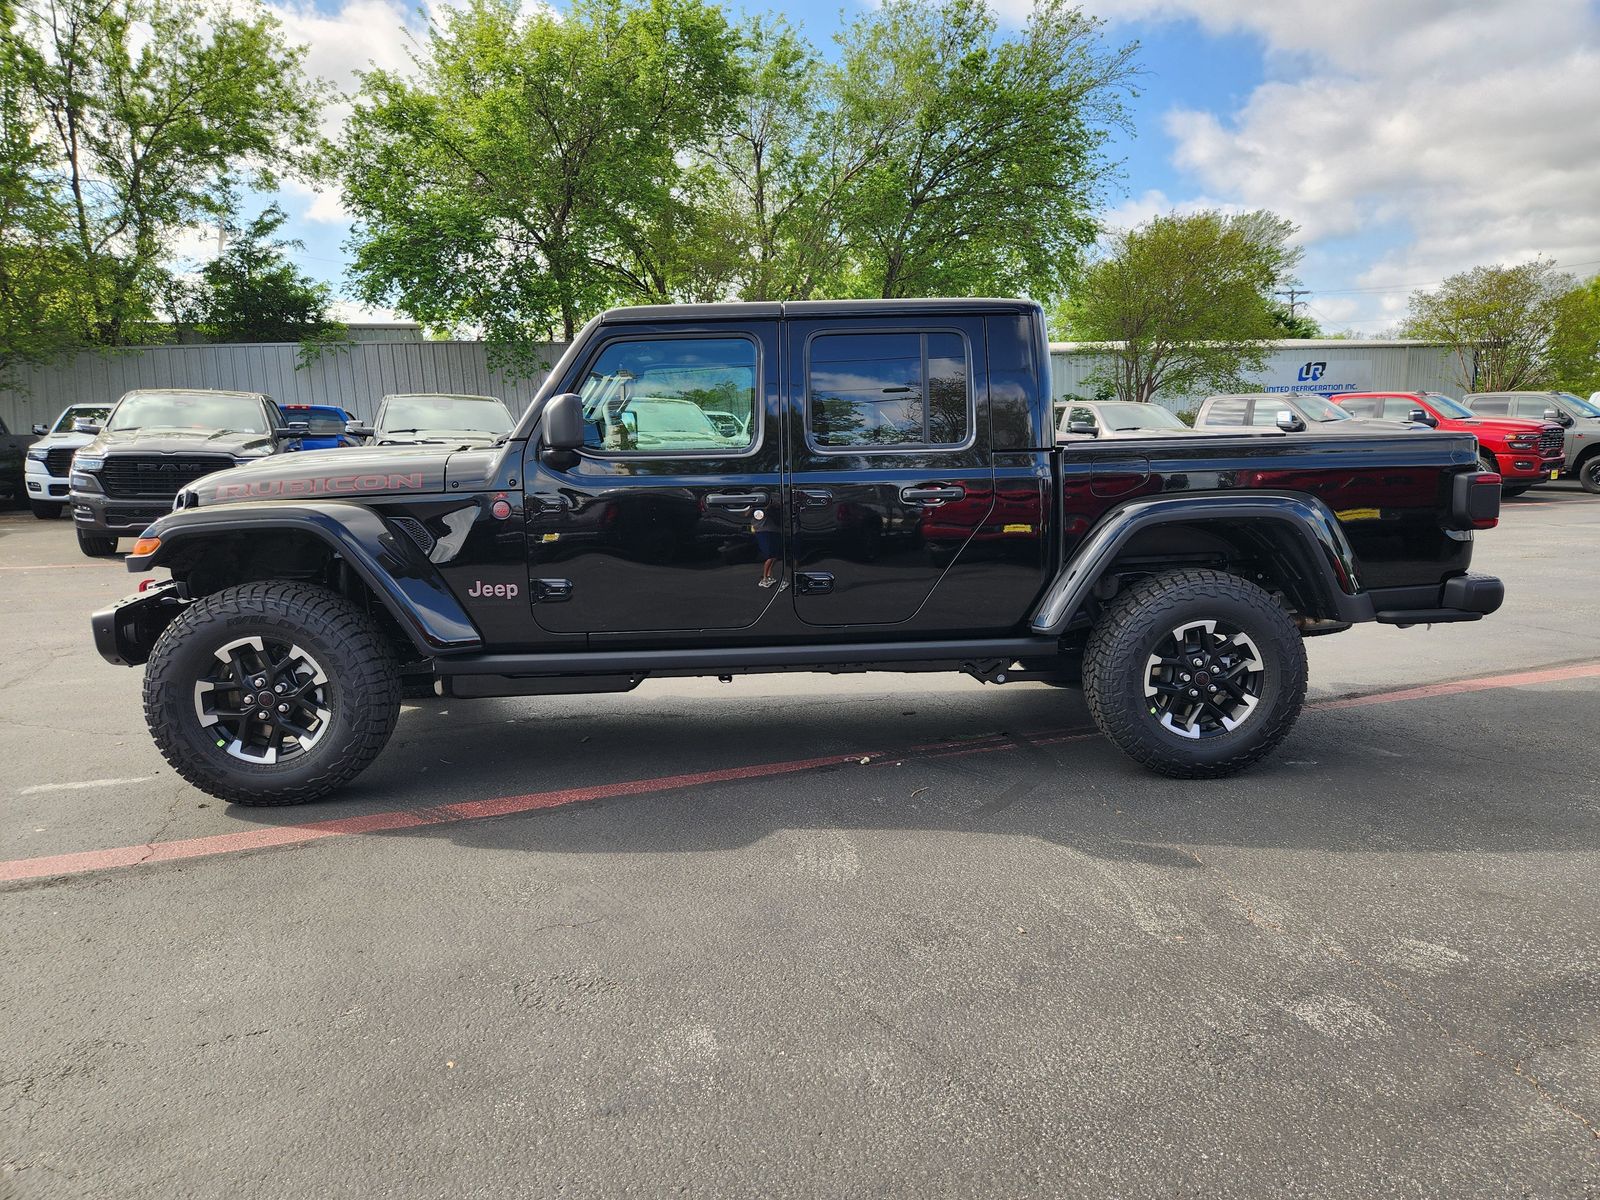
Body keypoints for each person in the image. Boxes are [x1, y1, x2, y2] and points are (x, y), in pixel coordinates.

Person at [753, 501, 785, 589]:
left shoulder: (775, 506)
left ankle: (769, 575)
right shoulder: (755, 507)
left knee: (775, 556)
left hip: (775, 530)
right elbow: (746, 514)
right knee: (770, 556)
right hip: (763, 531)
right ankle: (764, 578)